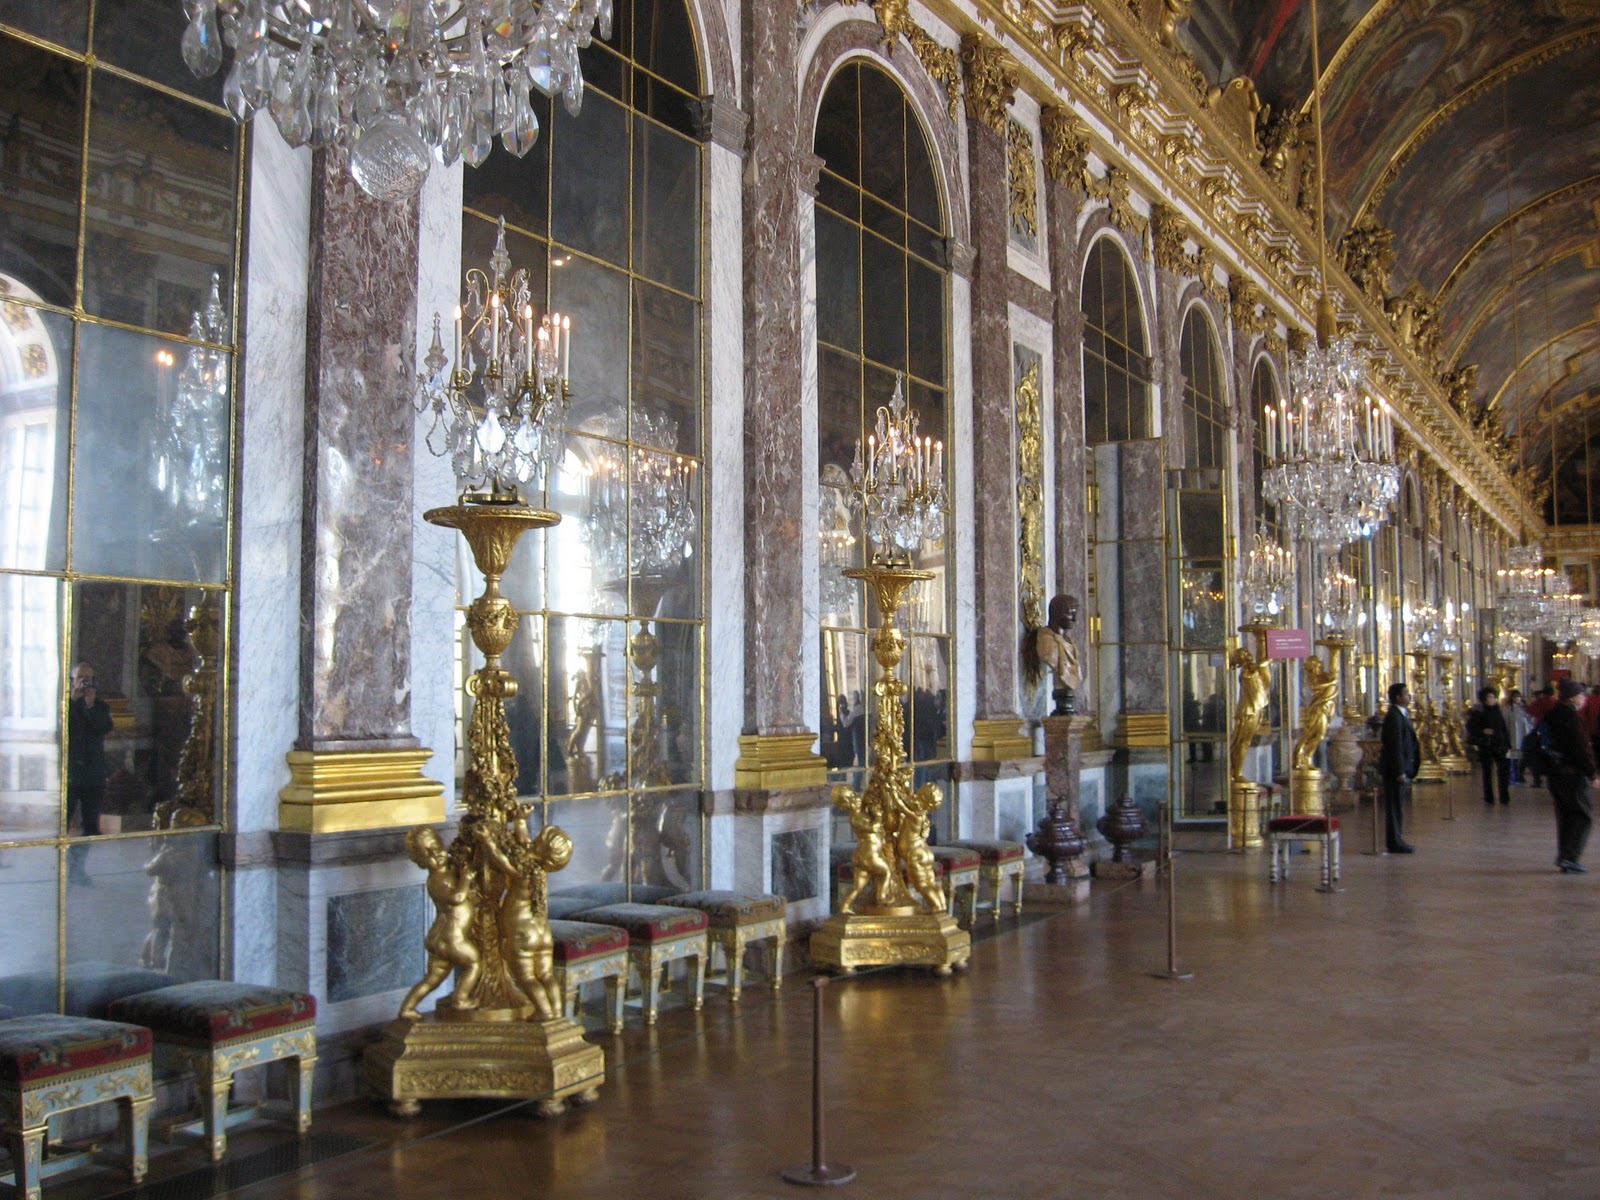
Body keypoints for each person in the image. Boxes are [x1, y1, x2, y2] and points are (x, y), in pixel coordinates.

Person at [1542, 678, 1595, 874]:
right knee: (1582, 815)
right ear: (1573, 698)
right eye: (1581, 695)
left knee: (1565, 816)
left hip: (1554, 772)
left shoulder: (1551, 714)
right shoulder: (1572, 718)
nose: (1584, 699)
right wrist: (1592, 773)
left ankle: (1564, 856)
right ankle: (1570, 857)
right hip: (1571, 773)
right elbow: (1580, 748)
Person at [66, 662, 113, 841]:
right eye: (80, 678)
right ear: (72, 681)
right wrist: (72, 701)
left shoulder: (100, 707)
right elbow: (62, 728)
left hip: (93, 773)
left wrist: (90, 705)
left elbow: (104, 727)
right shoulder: (65, 705)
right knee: (62, 823)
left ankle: (83, 865)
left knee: (92, 826)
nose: (84, 682)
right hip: (70, 773)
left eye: (88, 679)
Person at [1379, 681, 1420, 854]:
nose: (1408, 696)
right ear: (1398, 697)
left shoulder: (1401, 714)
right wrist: (1400, 771)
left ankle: (1397, 839)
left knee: (1397, 805)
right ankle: (1394, 841)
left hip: (1400, 768)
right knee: (1394, 806)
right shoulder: (1394, 716)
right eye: (1406, 693)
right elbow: (1395, 746)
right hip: (1395, 770)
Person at [1465, 686, 1511, 806]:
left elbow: (1503, 728)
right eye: (1489, 697)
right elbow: (1471, 727)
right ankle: (1489, 796)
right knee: (1487, 772)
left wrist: (1507, 744)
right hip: (1486, 745)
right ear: (1484, 699)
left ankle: (1504, 796)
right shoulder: (1479, 713)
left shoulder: (1498, 711)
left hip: (1499, 745)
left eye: (1493, 697)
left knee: (1503, 772)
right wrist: (1482, 731)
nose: (1491, 699)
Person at [1507, 688, 1532, 785]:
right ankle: (1515, 774)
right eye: (1515, 697)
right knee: (1514, 756)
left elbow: (1530, 719)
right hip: (1514, 734)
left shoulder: (1525, 707)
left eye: (1518, 697)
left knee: (1524, 755)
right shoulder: (1509, 708)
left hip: (1524, 734)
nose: (1517, 699)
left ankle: (1520, 774)